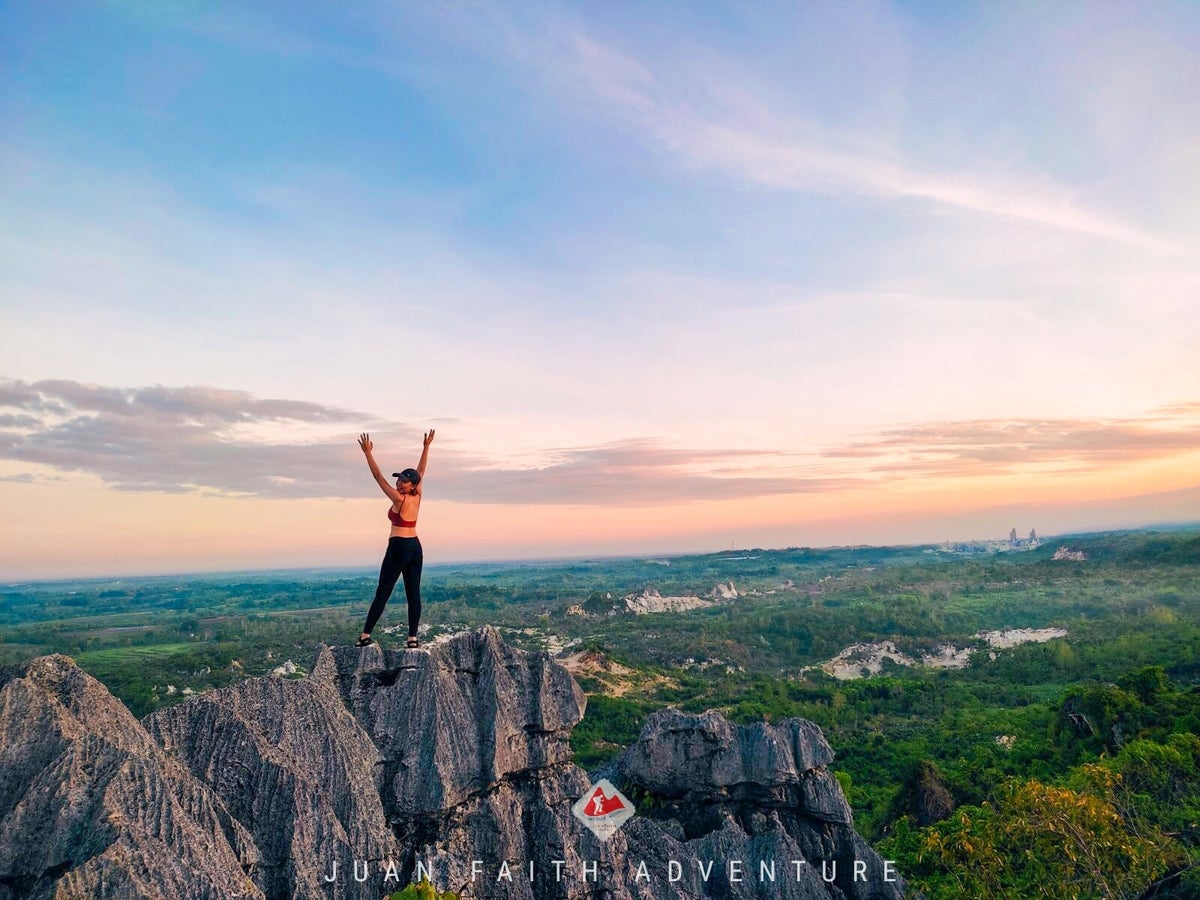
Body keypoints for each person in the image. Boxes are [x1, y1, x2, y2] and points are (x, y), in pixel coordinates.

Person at [356, 429, 434, 649]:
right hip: (415, 547)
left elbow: (378, 477)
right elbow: (421, 471)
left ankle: (365, 635)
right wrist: (426, 447)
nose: (399, 483)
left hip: (399, 547)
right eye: (399, 479)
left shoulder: (399, 499)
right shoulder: (418, 495)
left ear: (412, 485)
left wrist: (368, 453)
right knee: (413, 593)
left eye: (404, 481)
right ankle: (412, 638)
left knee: (383, 591)